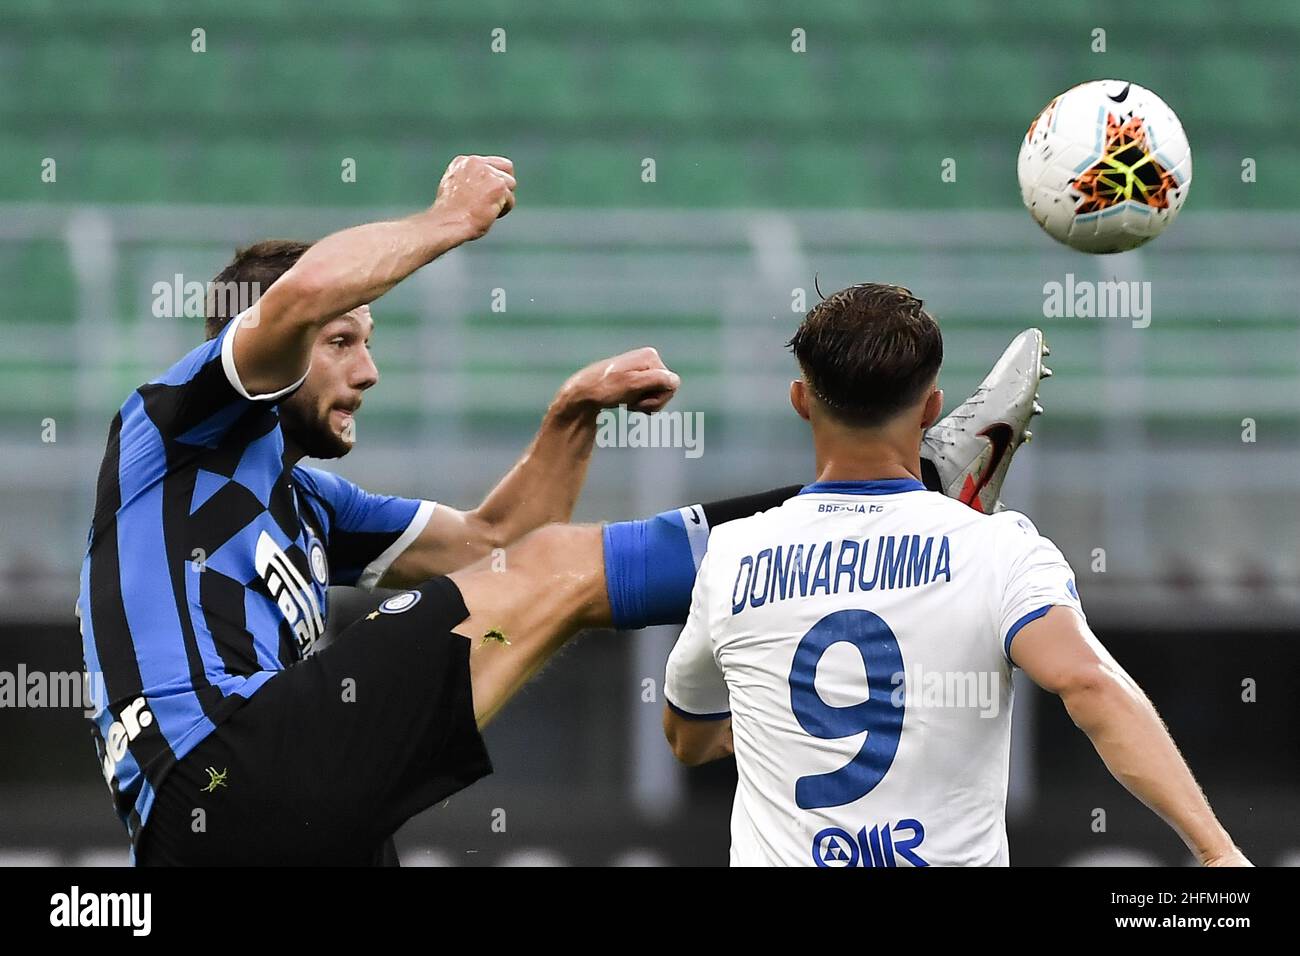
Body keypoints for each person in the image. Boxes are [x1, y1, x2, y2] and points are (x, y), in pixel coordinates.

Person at [77, 151, 1045, 864]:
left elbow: (499, 546)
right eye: (342, 342)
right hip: (227, 767)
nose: (368, 369)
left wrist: (569, 416)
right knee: (555, 576)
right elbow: (300, 295)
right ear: (276, 345)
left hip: (226, 838)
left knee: (529, 575)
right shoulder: (178, 427)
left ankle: (895, 489)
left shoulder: (304, 503)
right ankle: (913, 482)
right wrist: (447, 218)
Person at [657, 283, 1251, 867]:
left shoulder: (732, 555)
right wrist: (1215, 850)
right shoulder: (999, 549)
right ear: (934, 406)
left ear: (800, 400)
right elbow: (1088, 683)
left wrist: (780, 722)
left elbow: (688, 737)